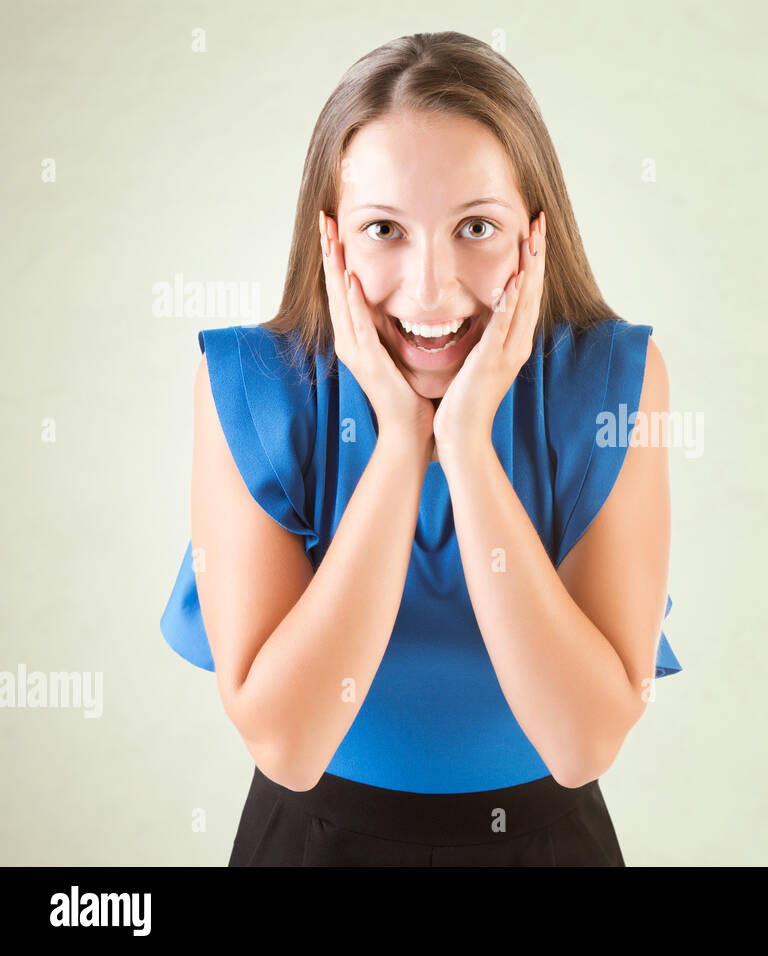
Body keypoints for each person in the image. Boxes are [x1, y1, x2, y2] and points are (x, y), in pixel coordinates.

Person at [159, 31, 682, 866]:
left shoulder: (614, 381)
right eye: (384, 230)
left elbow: (583, 745)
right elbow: (288, 745)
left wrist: (468, 446)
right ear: (330, 240)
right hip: (313, 842)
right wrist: (401, 444)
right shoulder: (253, 387)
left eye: (476, 226)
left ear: (533, 237)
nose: (431, 288)